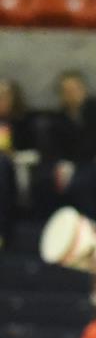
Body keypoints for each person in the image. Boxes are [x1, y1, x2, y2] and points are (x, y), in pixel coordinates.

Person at [43, 71, 96, 224]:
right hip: (72, 164)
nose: (72, 94)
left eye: (75, 89)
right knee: (49, 181)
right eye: (67, 91)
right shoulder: (58, 119)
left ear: (84, 90)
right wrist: (61, 164)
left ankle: (90, 227)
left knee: (83, 182)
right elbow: (54, 150)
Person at [0, 78, 27, 248]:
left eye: (4, 96)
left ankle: (3, 232)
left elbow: (30, 150)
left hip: (11, 166)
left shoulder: (22, 122)